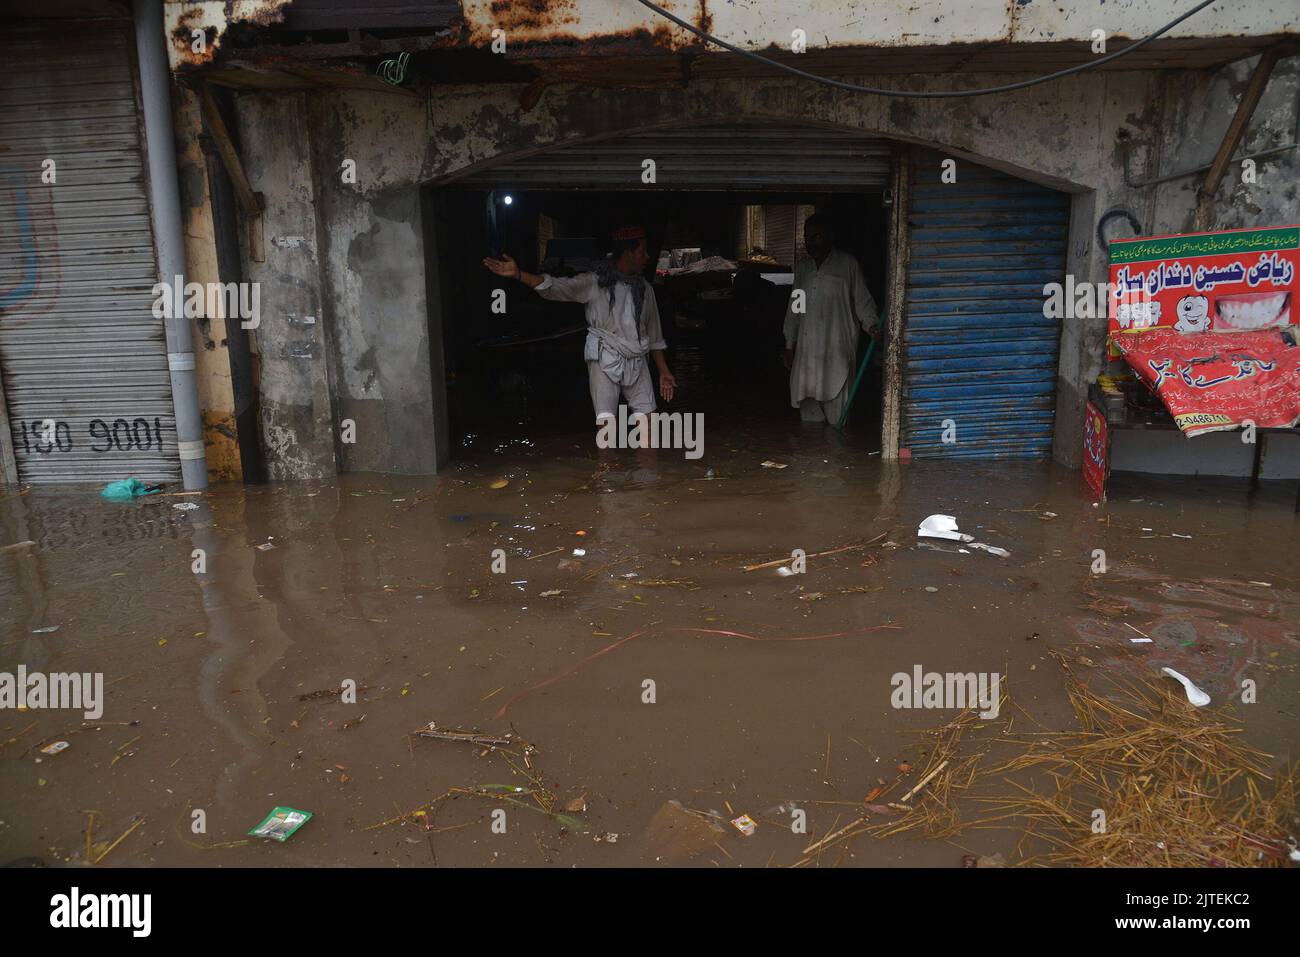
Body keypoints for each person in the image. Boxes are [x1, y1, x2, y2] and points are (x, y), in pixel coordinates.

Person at [483, 226, 676, 431]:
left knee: (649, 425)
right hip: (604, 356)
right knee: (607, 429)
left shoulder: (645, 289)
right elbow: (555, 287)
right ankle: (607, 465)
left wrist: (664, 371)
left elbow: (654, 335)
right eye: (642, 251)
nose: (647, 257)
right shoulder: (594, 282)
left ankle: (647, 465)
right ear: (628, 252)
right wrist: (519, 275)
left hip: (637, 359)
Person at [782, 215, 879, 424]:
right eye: (807, 237)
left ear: (830, 237)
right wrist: (790, 344)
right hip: (807, 354)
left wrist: (871, 325)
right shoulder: (803, 269)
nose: (811, 242)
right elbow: (795, 308)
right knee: (809, 427)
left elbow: (862, 300)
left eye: (817, 236)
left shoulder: (847, 265)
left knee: (838, 420)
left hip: (837, 352)